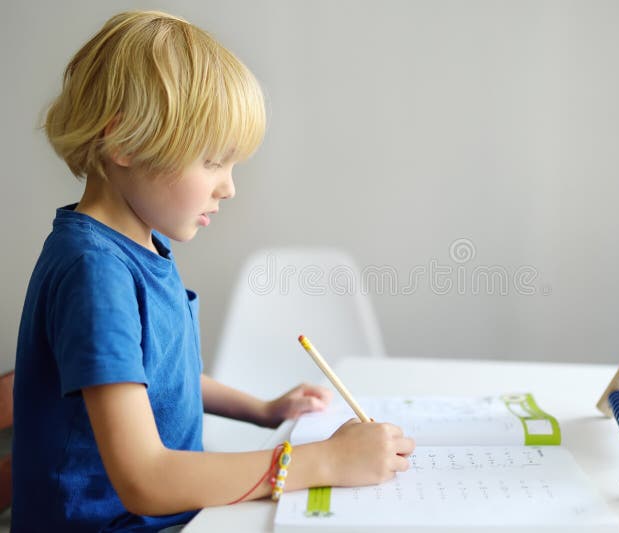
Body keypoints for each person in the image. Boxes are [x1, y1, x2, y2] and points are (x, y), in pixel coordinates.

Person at [12, 10, 414, 532]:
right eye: (213, 162)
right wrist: (323, 463)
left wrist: (263, 409)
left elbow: (163, 374)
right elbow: (145, 479)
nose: (228, 187)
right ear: (126, 143)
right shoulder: (96, 273)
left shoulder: (138, 248)